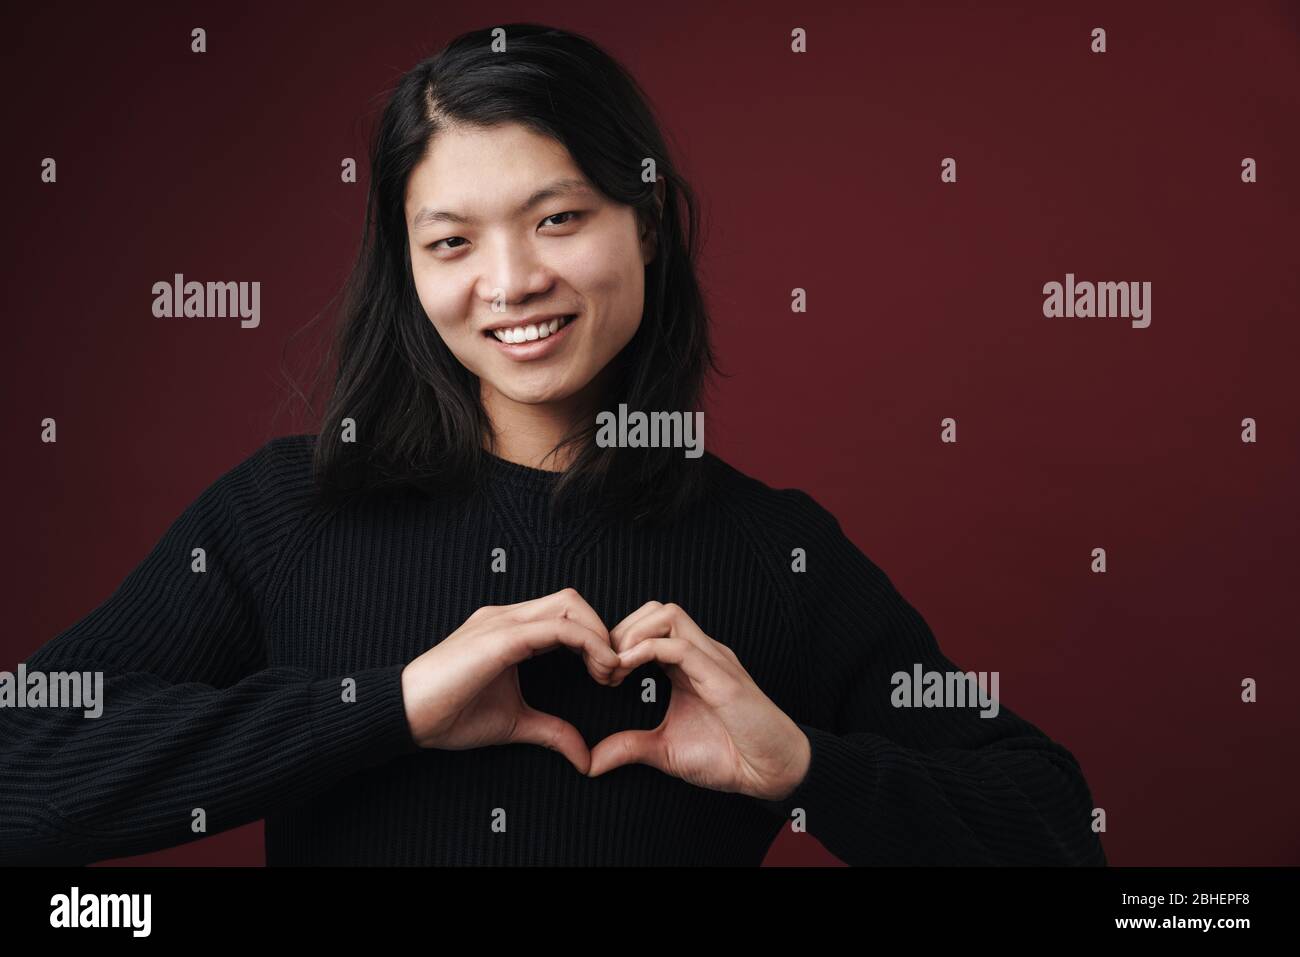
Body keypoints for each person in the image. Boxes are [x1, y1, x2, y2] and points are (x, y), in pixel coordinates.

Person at [0, 22, 1106, 866]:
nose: (512, 280)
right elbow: (19, 770)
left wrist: (804, 770)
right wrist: (389, 707)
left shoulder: (776, 552)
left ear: (650, 225)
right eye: (450, 240)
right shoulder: (282, 514)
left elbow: (1056, 827)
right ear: (411, 269)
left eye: (558, 218)